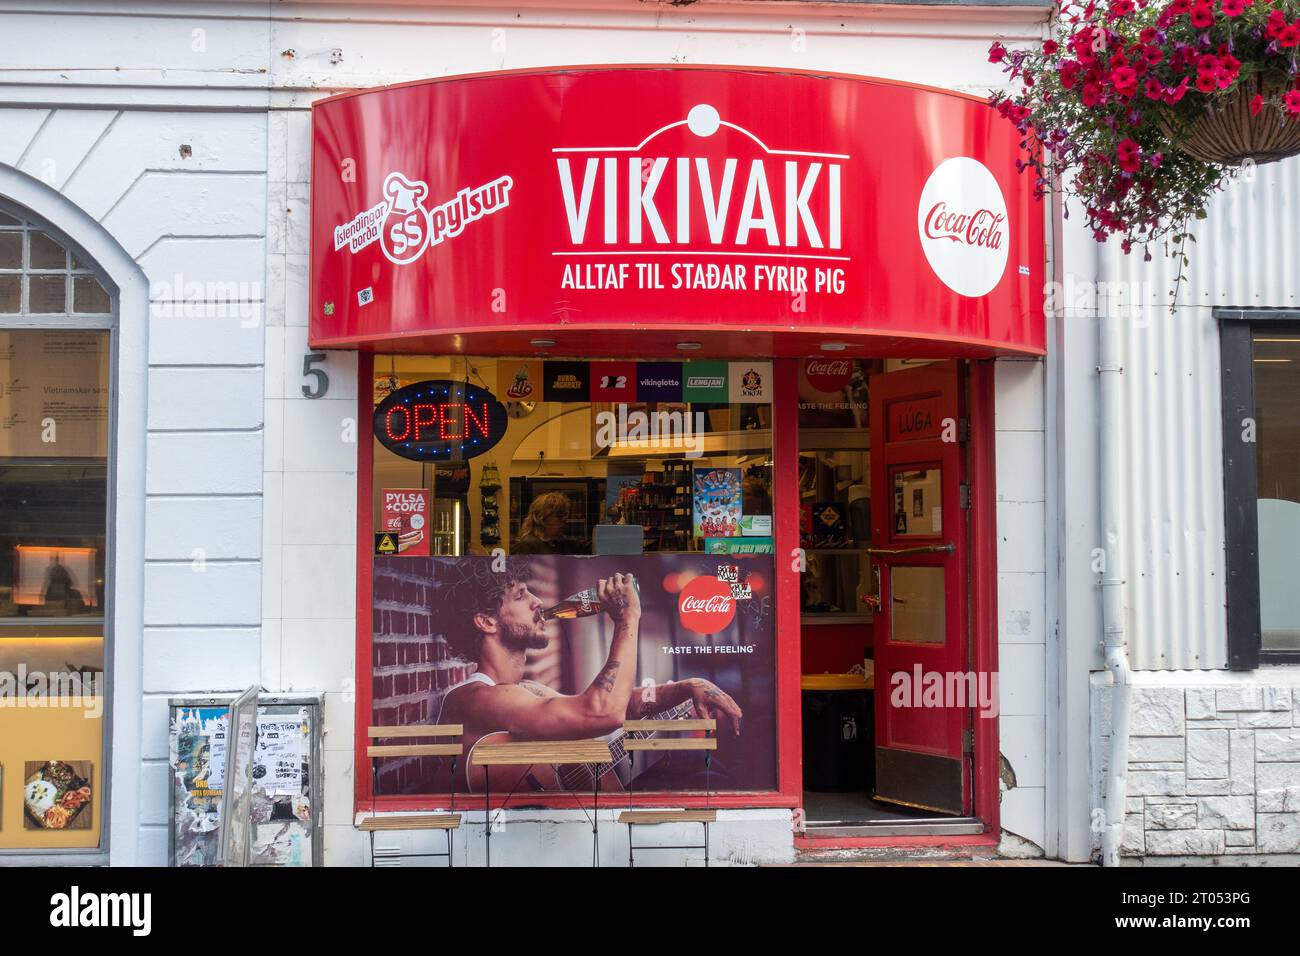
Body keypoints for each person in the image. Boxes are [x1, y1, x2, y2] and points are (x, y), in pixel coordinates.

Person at [435, 559, 743, 792]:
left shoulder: (525, 690)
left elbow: (620, 704)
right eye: (520, 596)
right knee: (703, 776)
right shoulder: (479, 698)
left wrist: (688, 686)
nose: (538, 602)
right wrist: (626, 621)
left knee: (693, 765)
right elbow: (602, 712)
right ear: (487, 621)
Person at [512, 491, 584, 554]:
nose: (564, 519)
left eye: (565, 515)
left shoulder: (562, 543)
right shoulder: (527, 545)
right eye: (559, 515)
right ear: (542, 518)